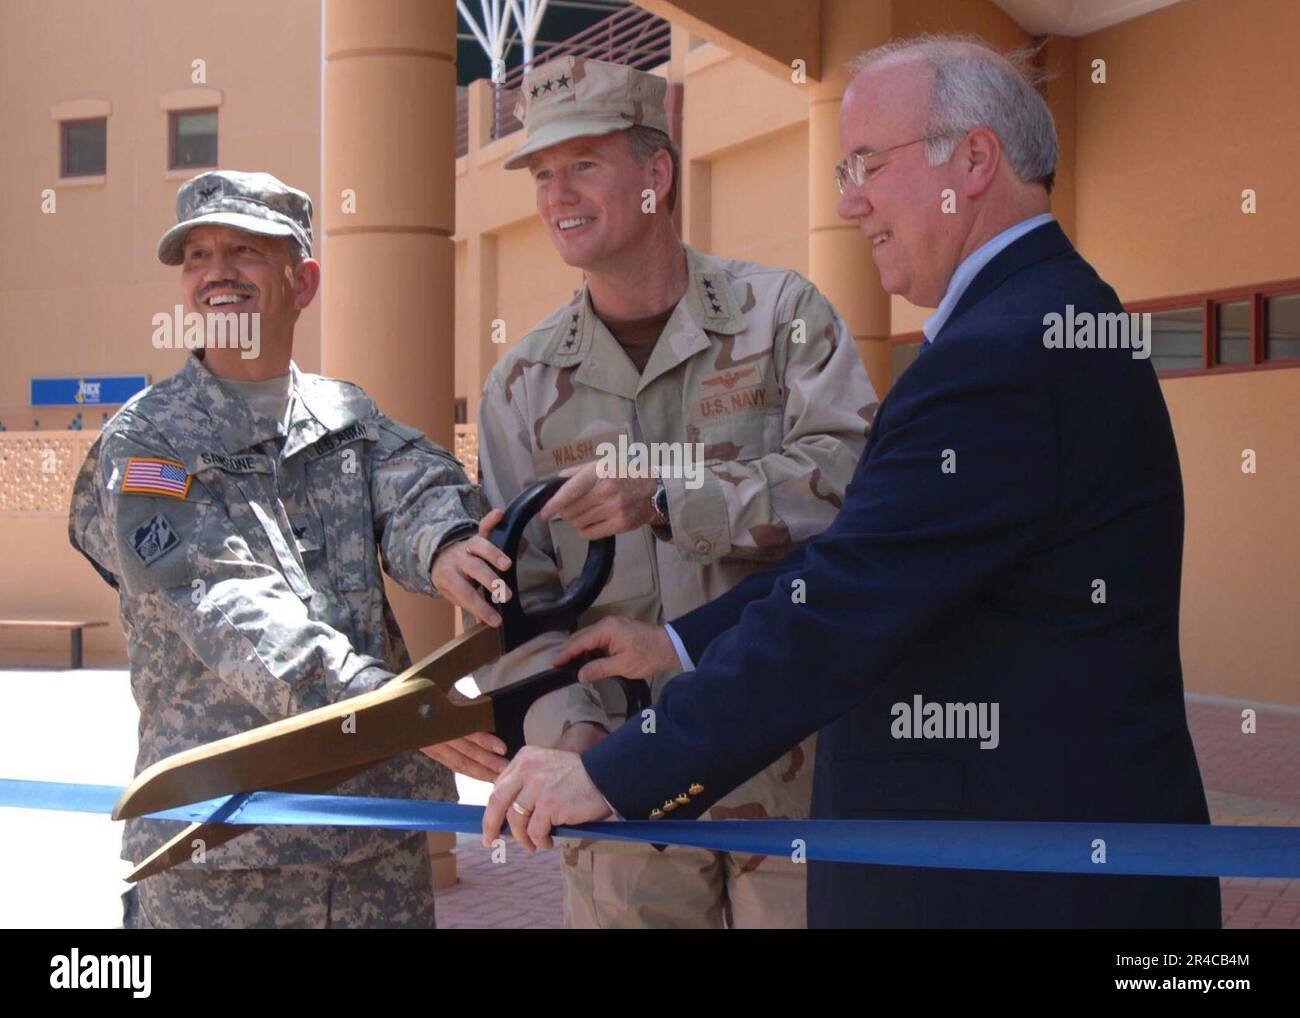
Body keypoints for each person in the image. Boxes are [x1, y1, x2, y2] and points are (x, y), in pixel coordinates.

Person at [482, 35, 1222, 929]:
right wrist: (672, 653)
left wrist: (614, 769)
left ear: (975, 161)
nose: (847, 199)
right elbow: (877, 568)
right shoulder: (1028, 323)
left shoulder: (1000, 352)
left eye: (867, 164)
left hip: (1011, 883)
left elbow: (852, 591)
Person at [473, 56, 877, 928]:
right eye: (542, 174)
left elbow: (855, 491)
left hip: (791, 761)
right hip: (613, 785)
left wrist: (672, 493)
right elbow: (520, 604)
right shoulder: (520, 385)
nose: (556, 195)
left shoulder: (783, 318)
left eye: (583, 164)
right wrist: (566, 732)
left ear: (656, 174)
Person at [70, 170, 512, 928]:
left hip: (376, 843)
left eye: (244, 250)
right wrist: (390, 707)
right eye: (197, 256)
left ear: (300, 281)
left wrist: (444, 546)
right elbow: (222, 602)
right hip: (226, 851)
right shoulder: (147, 441)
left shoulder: (342, 415)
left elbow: (418, 484)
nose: (217, 273)